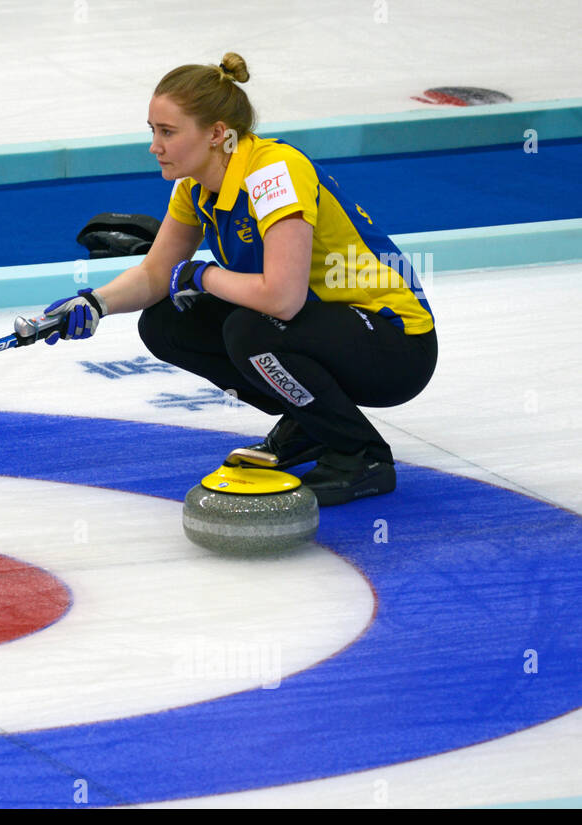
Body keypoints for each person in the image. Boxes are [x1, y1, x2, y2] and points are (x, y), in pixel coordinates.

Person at [24, 52, 438, 505]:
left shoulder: (274, 173)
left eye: (168, 132)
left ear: (218, 134)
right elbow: (156, 273)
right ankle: (310, 424)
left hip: (395, 344)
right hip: (326, 328)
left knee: (251, 329)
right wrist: (93, 304)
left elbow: (282, 299)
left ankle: (362, 455)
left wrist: (203, 275)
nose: (154, 146)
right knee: (166, 323)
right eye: (153, 131)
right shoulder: (193, 187)